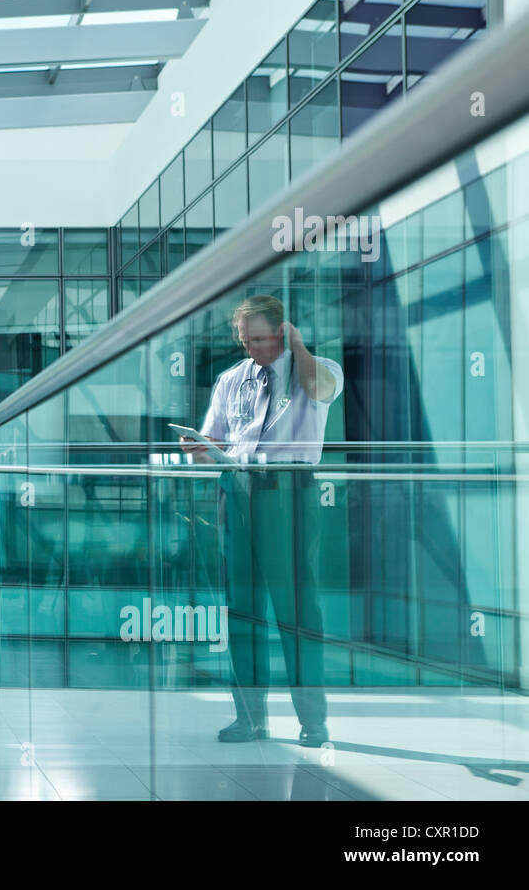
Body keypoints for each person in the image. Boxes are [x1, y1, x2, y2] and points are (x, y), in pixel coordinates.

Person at [179, 295, 341, 748]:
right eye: (243, 340)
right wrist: (202, 449)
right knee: (242, 612)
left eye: (258, 338)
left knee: (297, 612)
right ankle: (250, 718)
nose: (250, 348)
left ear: (282, 331)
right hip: (237, 491)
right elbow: (213, 439)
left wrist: (299, 348)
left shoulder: (316, 369)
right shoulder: (232, 379)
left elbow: (320, 391)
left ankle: (313, 722)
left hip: (288, 493)